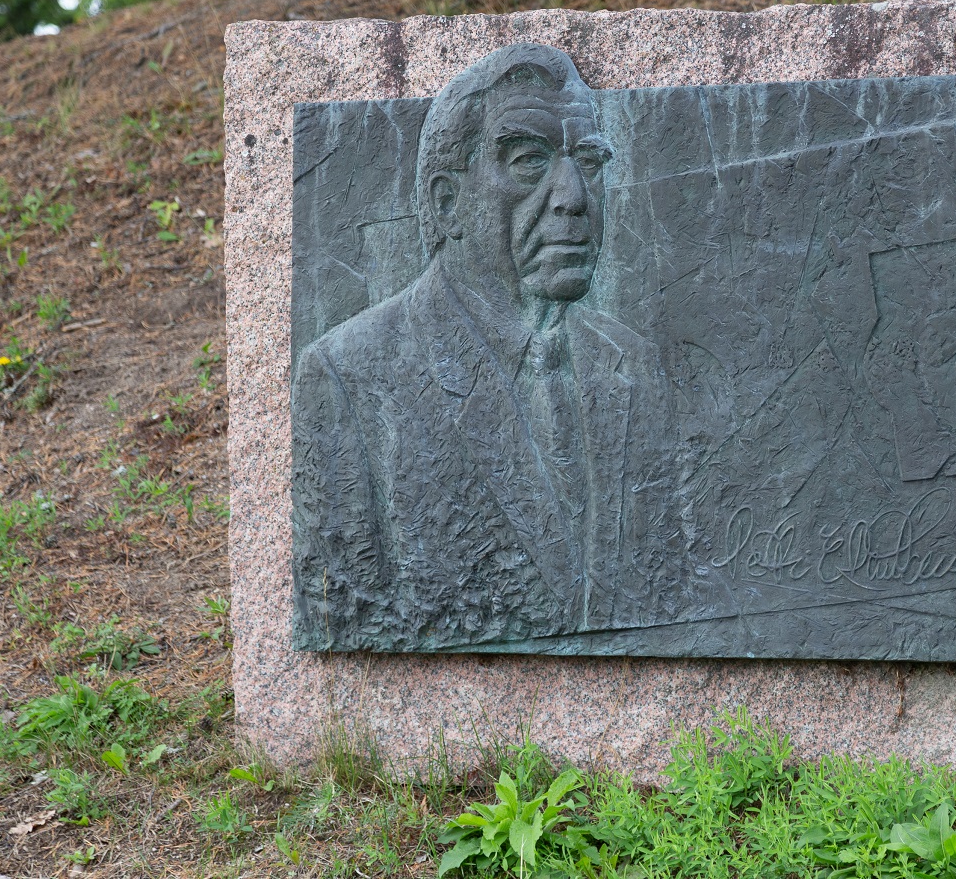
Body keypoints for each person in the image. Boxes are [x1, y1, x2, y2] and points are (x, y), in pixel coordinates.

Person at [291, 43, 687, 651]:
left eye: (589, 161)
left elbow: (671, 591)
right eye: (530, 161)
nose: (573, 196)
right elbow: (346, 615)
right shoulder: (348, 378)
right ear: (448, 201)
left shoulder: (630, 364)